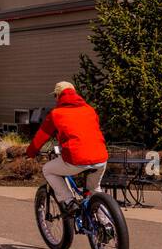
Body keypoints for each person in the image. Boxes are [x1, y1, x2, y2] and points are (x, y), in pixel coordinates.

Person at [29, 82, 109, 212]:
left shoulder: (56, 114)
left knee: (48, 169)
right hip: (101, 158)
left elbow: (41, 137)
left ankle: (69, 201)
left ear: (58, 96)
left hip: (76, 160)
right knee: (95, 189)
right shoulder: (89, 109)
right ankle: (107, 224)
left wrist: (30, 153)